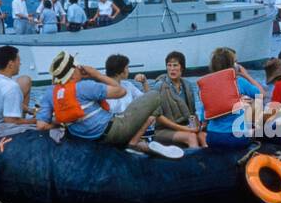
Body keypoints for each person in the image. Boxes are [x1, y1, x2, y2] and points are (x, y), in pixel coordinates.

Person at [36, 50, 180, 157]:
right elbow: (121, 91)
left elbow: (41, 125)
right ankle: (134, 142)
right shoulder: (86, 86)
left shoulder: (51, 92)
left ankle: (139, 145)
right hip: (111, 132)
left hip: (85, 136)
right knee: (154, 95)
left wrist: (62, 122)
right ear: (73, 72)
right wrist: (96, 74)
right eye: (79, 67)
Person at [201, 46, 276, 149]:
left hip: (212, 138)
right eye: (236, 62)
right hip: (235, 138)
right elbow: (261, 94)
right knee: (270, 127)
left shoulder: (207, 86)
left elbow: (204, 120)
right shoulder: (239, 82)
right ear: (232, 66)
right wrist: (246, 75)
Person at [152, 51, 205, 149]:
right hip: (163, 130)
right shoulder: (159, 86)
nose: (172, 69)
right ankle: (194, 163)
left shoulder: (187, 85)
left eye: (175, 65)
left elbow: (192, 112)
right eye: (169, 65)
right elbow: (158, 117)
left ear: (182, 68)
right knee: (191, 137)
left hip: (185, 126)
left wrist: (197, 126)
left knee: (203, 136)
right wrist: (185, 129)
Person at [0, 45, 38, 126]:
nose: (20, 63)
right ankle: (22, 118)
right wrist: (37, 120)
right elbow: (10, 122)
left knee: (25, 80)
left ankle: (22, 115)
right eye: (18, 60)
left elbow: (6, 100)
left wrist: (30, 110)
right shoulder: (12, 87)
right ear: (11, 64)